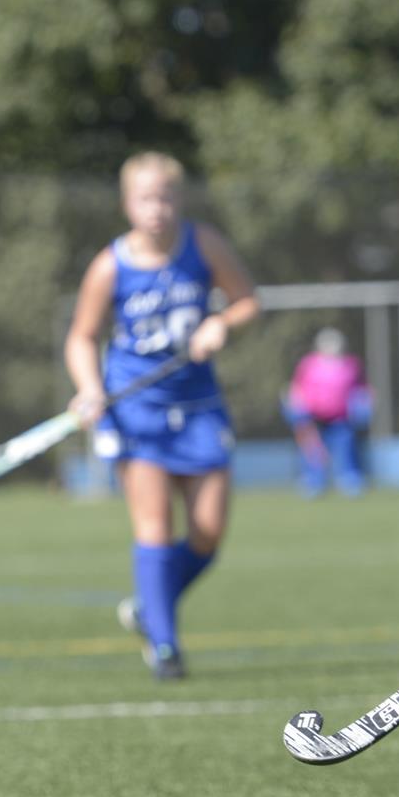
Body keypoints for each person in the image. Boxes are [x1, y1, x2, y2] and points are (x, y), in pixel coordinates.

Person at [64, 152, 261, 681]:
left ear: (180, 200)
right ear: (128, 204)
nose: (157, 209)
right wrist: (89, 388)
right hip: (137, 410)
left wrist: (221, 323)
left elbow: (246, 301)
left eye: (166, 197)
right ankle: (166, 647)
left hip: (199, 408)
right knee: (155, 527)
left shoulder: (204, 245)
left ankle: (151, 606)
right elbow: (82, 337)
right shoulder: (110, 266)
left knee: (207, 534)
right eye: (146, 198)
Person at [283, 327, 371, 497]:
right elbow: (297, 388)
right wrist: (296, 407)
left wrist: (363, 405)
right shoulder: (309, 364)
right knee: (313, 451)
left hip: (341, 418)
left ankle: (350, 480)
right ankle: (313, 482)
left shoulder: (351, 364)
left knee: (346, 448)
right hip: (312, 418)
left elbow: (362, 389)